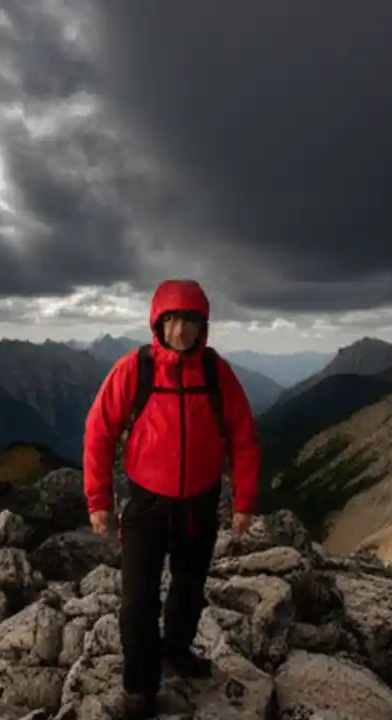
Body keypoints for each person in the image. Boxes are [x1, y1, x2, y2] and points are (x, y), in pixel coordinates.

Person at [83, 278, 261, 719]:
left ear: (204, 326)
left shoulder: (217, 374)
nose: (181, 330)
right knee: (138, 600)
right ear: (157, 324)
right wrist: (99, 500)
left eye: (191, 320)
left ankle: (177, 650)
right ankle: (140, 689)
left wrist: (244, 502)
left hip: (200, 501)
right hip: (145, 504)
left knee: (189, 585)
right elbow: (99, 430)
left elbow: (243, 438)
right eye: (173, 320)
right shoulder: (135, 370)